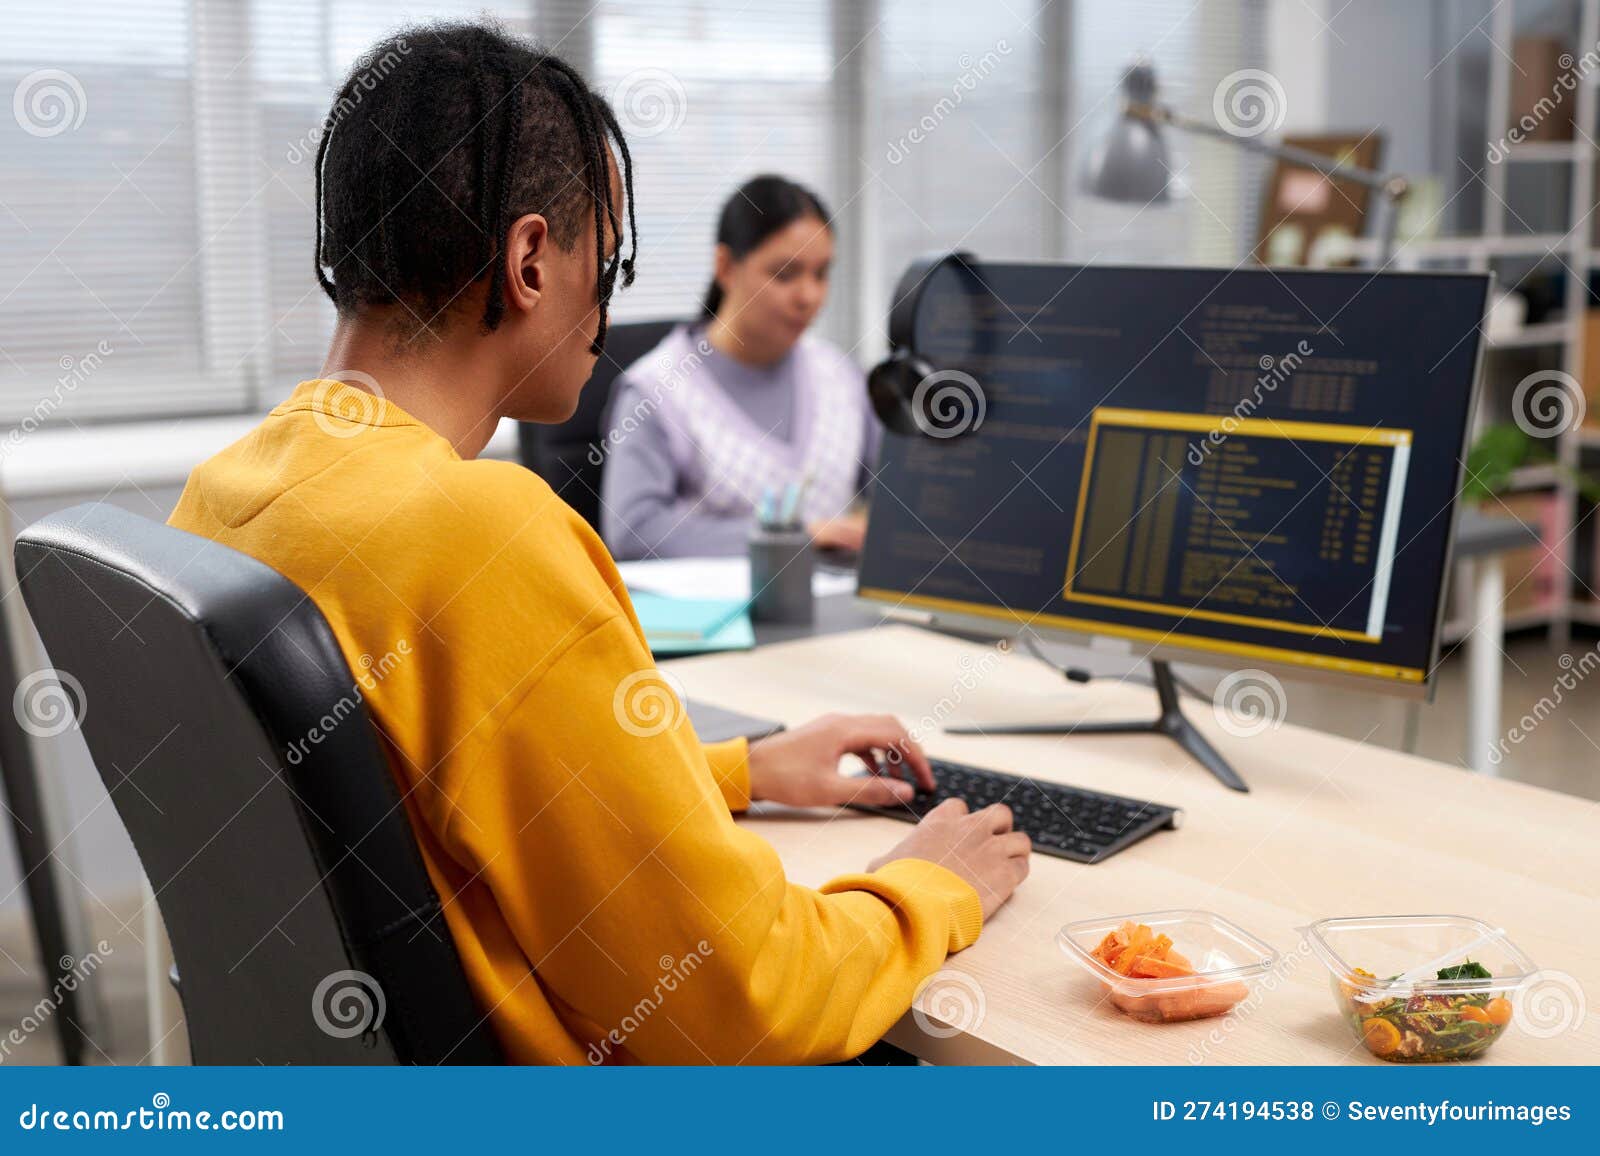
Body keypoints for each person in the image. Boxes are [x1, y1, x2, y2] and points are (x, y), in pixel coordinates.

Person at [167, 23, 1027, 1065]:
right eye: (608, 258)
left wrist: (737, 770)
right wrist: (930, 883)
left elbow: (421, 798)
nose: (607, 306)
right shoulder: (481, 533)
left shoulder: (223, 500)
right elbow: (747, 1008)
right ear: (531, 258)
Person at [600, 175, 877, 560]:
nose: (809, 296)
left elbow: (898, 502)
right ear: (727, 267)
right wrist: (795, 537)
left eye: (821, 273)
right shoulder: (655, 390)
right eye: (785, 274)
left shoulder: (841, 376)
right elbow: (635, 532)